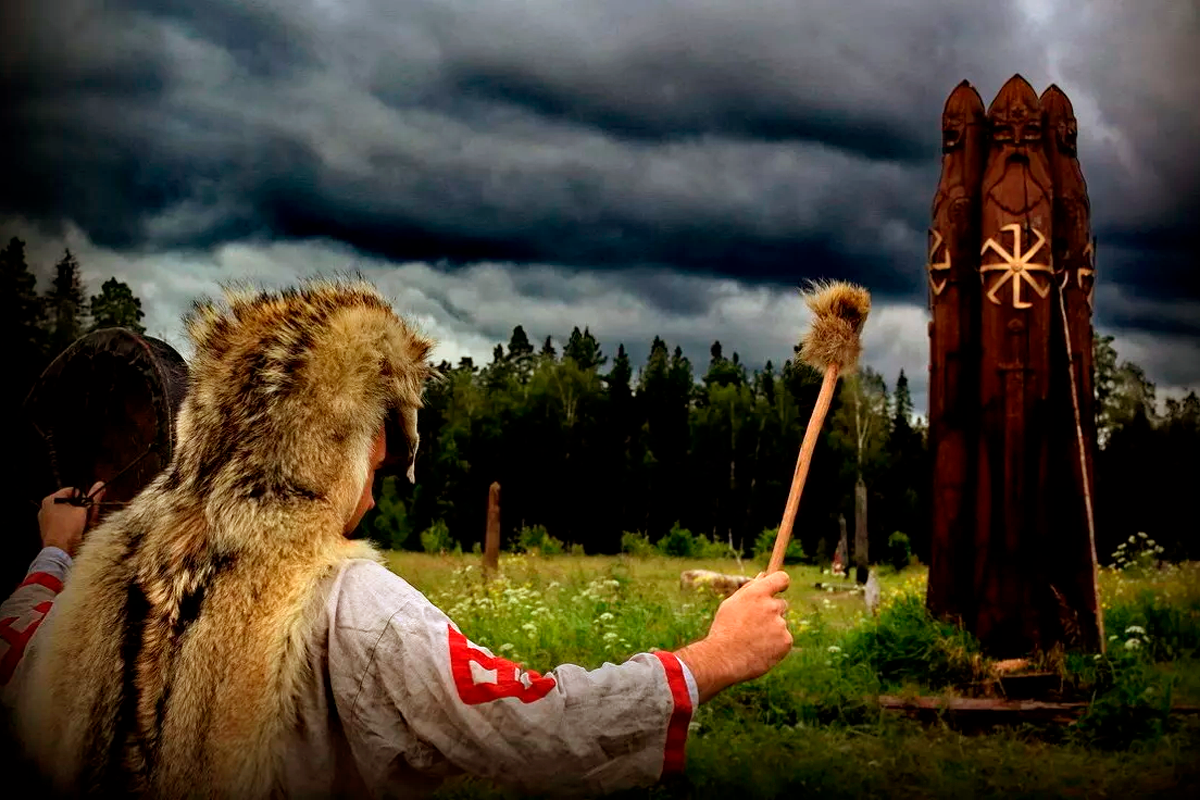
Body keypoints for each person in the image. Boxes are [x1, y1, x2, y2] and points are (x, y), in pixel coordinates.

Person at [0, 280, 792, 799]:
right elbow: (533, 723)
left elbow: (18, 654)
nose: (374, 495)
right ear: (330, 449)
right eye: (373, 461)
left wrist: (54, 554)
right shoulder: (351, 608)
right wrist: (713, 659)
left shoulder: (102, 579)